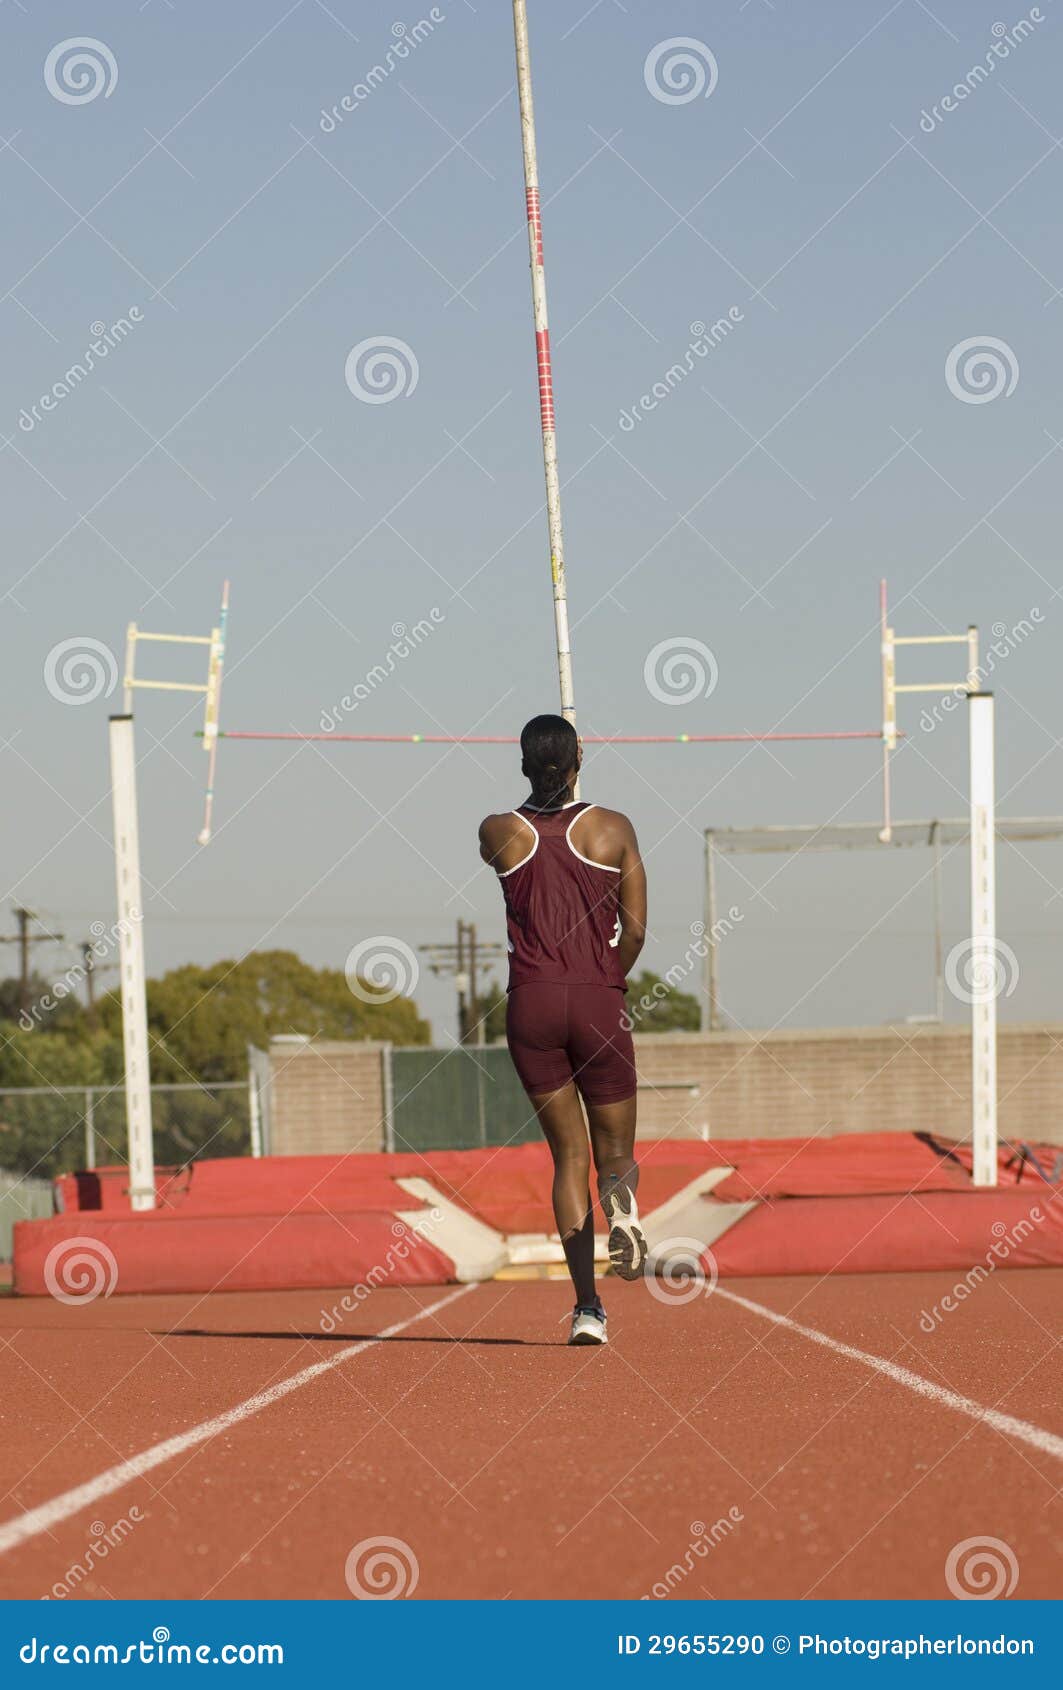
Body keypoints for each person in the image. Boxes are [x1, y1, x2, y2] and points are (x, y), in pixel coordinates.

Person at [479, 714, 648, 1346]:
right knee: (614, 1155)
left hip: (533, 1004)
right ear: (580, 757)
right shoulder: (614, 828)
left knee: (568, 1156)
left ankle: (587, 1309)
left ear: (522, 761)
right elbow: (633, 931)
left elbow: (530, 849)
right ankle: (623, 1203)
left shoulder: (497, 832)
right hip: (599, 997)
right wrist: (606, 977)